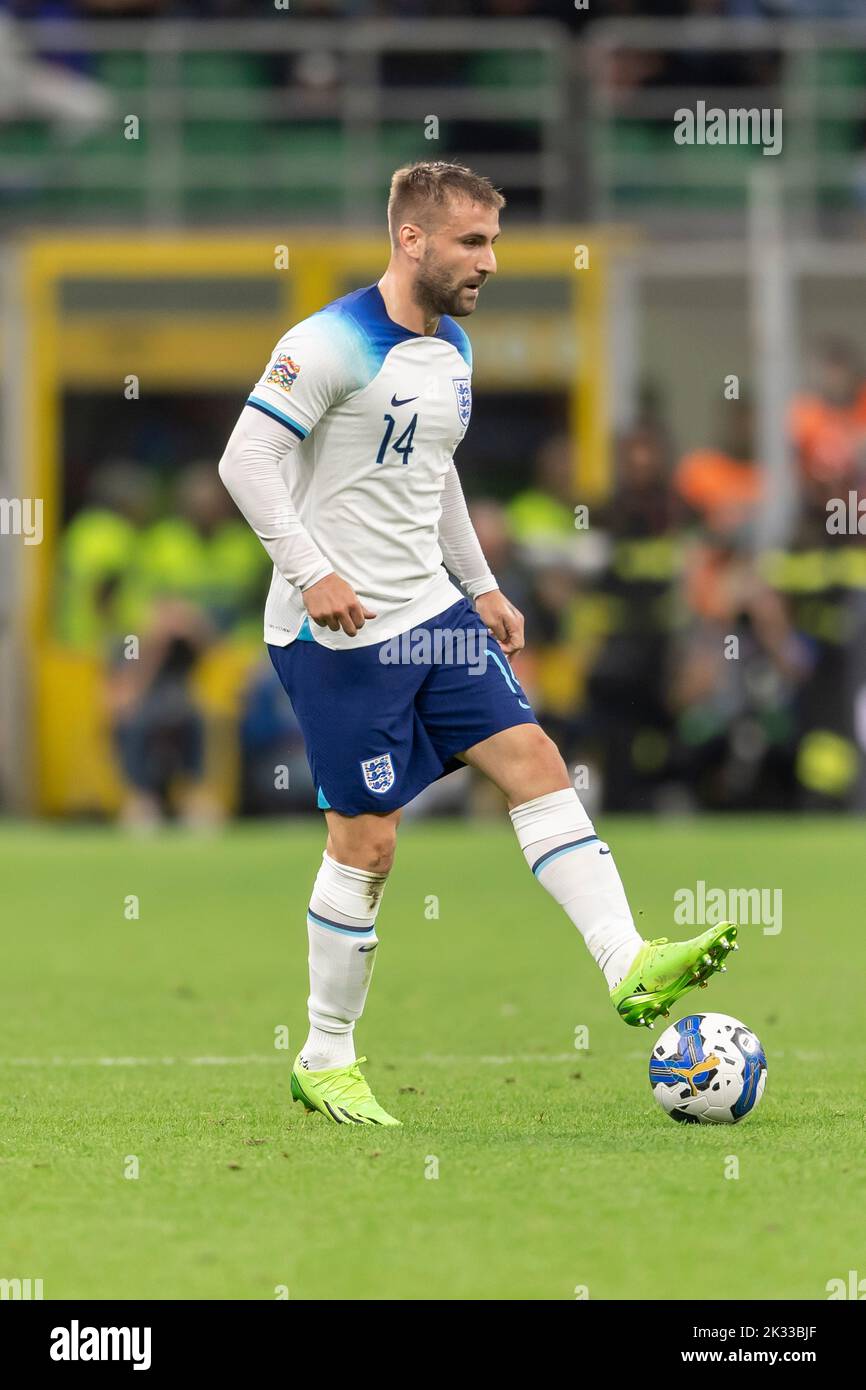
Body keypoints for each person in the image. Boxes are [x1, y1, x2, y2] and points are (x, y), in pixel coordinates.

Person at [217, 160, 739, 1127]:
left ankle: (628, 963)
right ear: (410, 240)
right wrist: (310, 570)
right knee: (368, 843)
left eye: (493, 241)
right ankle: (325, 1055)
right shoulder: (327, 341)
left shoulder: (451, 347)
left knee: (536, 760)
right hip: (339, 634)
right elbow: (245, 460)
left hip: (433, 616)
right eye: (471, 242)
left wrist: (483, 584)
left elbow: (436, 470)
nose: (489, 261)